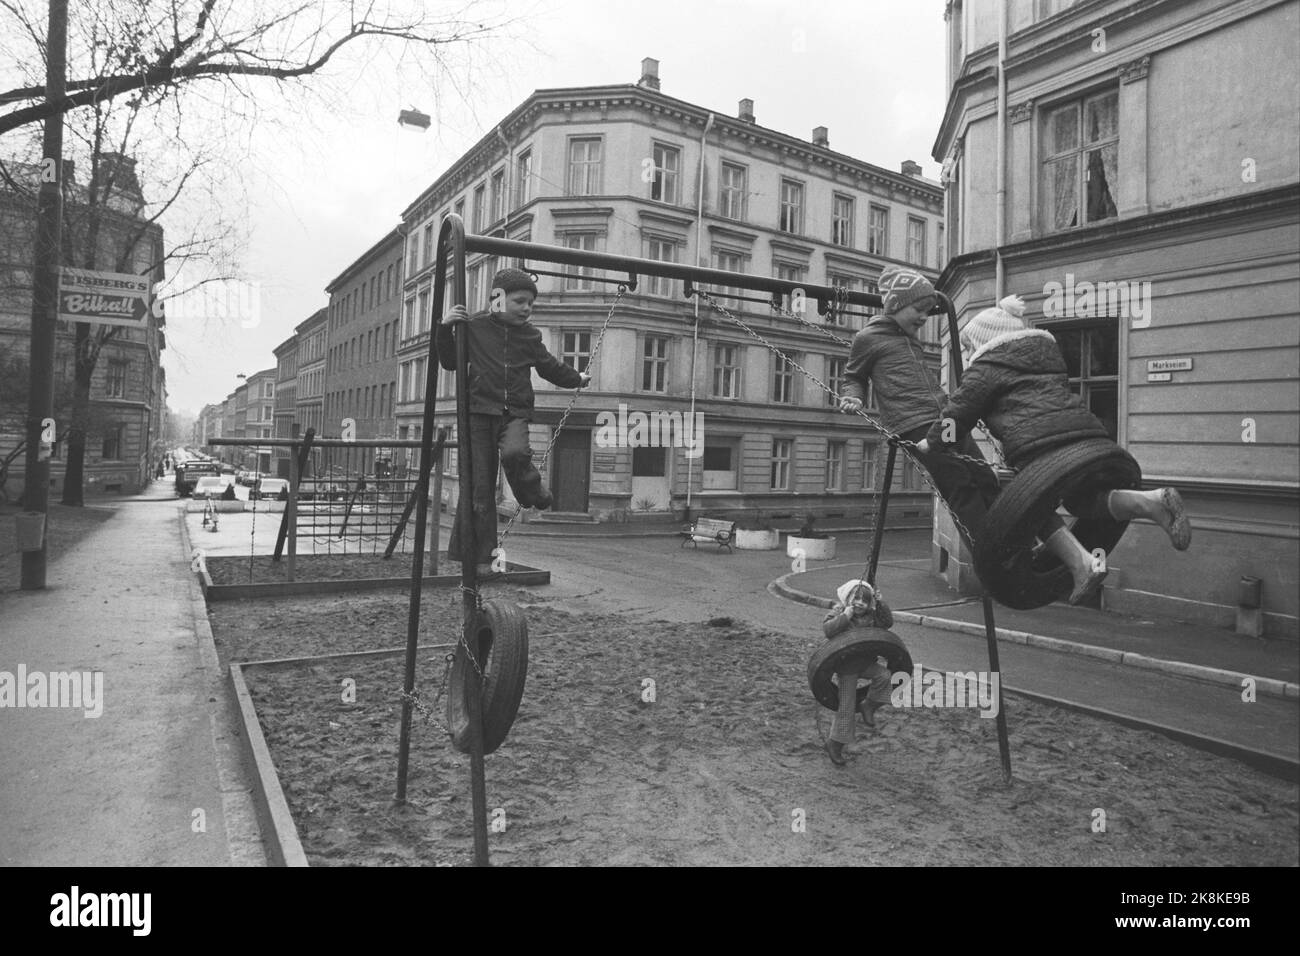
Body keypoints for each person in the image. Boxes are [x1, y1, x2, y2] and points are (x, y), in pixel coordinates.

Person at [917, 295, 1191, 604]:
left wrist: (934, 442)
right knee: (1082, 502)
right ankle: (1150, 502)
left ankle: (1083, 564)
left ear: (985, 341)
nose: (967, 353)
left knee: (1034, 509)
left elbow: (958, 415)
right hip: (1089, 438)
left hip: (1040, 448)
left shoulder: (985, 367)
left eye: (968, 346)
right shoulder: (1046, 356)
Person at [437, 268, 590, 567]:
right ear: (498, 299)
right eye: (520, 301)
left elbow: (550, 367)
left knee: (516, 452)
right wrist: (445, 328)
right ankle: (480, 557)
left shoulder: (530, 336)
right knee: (479, 489)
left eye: (530, 303)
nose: (526, 308)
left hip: (514, 412)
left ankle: (531, 492)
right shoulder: (475, 327)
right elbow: (449, 362)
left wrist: (577, 378)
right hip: (479, 413)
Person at [839, 266, 1000, 545]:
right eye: (920, 309)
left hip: (945, 418)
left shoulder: (908, 337)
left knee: (983, 476)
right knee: (959, 485)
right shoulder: (867, 338)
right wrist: (853, 396)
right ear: (897, 304)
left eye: (929, 310)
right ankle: (990, 554)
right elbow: (854, 376)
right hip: (915, 424)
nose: (925, 317)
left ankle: (1008, 537)